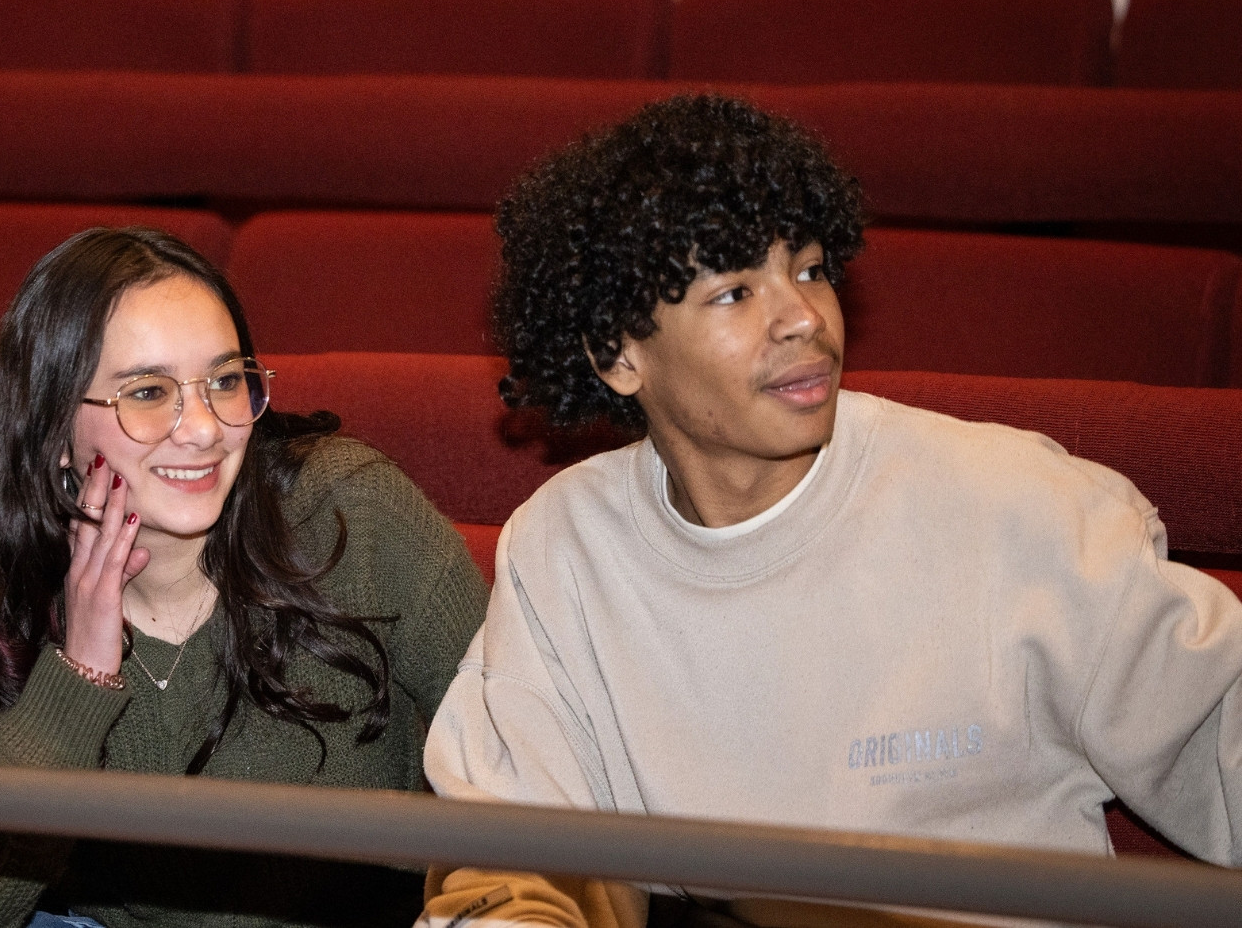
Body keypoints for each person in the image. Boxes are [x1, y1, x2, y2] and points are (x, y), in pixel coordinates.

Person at [422, 95, 1242, 928]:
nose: (805, 318)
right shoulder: (564, 548)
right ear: (618, 354)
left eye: (811, 270)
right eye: (735, 291)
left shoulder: (1023, 509)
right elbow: (512, 860)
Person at [0, 227, 488, 928]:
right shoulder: (1, 593)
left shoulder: (348, 510)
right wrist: (78, 677)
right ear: (52, 432)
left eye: (225, 381)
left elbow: (530, 768)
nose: (204, 428)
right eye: (148, 392)